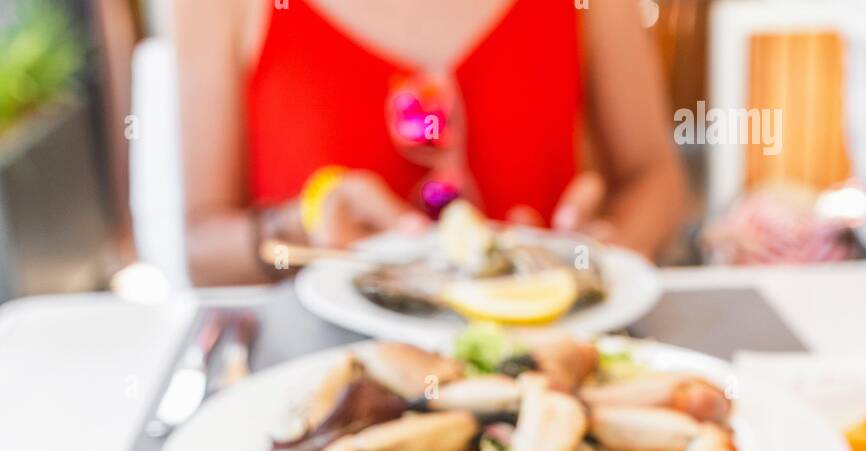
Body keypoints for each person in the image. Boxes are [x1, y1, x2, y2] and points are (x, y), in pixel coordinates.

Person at [176, 0, 686, 284]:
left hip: (547, 363)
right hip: (322, 382)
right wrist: (300, 228)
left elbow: (655, 177)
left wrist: (607, 253)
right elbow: (200, 246)